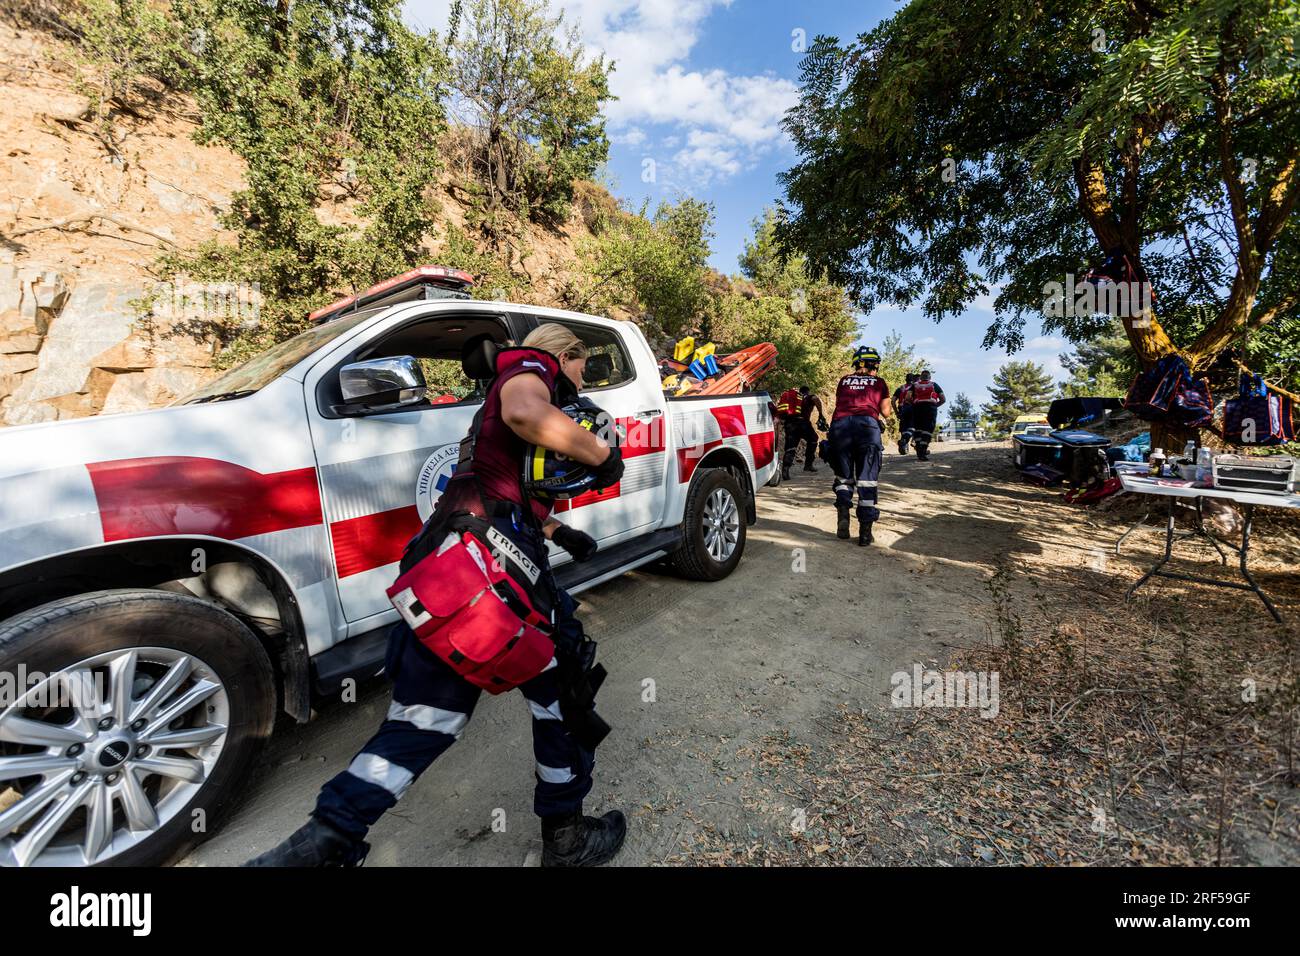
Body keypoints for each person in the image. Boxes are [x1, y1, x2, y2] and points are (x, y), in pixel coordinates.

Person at [246, 324, 627, 868]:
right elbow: (526, 412)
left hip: (446, 564)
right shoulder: (530, 368)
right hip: (493, 574)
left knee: (426, 714)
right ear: (564, 355)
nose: (580, 379)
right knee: (567, 695)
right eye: (581, 366)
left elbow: (491, 491)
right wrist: (599, 455)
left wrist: (557, 533)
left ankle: (323, 842)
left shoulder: (485, 422)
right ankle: (565, 839)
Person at [828, 346, 892, 546]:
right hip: (867, 428)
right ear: (874, 365)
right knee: (867, 480)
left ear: (856, 364)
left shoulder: (844, 380)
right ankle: (865, 532)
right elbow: (886, 412)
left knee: (844, 477)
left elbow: (842, 405)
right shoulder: (879, 382)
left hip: (840, 428)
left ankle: (843, 514)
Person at [779, 385, 824, 480]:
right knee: (813, 439)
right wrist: (820, 414)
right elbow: (816, 399)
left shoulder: (794, 398)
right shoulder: (809, 397)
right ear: (808, 391)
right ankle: (808, 464)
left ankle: (785, 469)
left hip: (790, 424)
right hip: (803, 423)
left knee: (790, 447)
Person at [909, 369, 946, 461]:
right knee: (928, 429)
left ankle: (918, 450)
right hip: (930, 408)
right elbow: (943, 399)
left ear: (920, 377)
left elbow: (907, 397)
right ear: (929, 377)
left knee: (918, 429)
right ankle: (923, 450)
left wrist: (913, 404)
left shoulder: (915, 385)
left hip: (917, 408)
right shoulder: (934, 385)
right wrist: (936, 405)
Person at [894, 373, 918, 455]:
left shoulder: (901, 388)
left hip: (902, 409)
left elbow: (893, 400)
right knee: (914, 426)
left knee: (904, 427)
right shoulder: (915, 387)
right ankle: (914, 441)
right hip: (912, 408)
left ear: (905, 379)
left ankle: (903, 447)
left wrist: (896, 412)